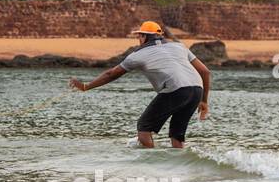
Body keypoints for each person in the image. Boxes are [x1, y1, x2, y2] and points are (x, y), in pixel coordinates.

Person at [69, 21, 212, 149]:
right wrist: (204, 101)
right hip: (197, 90)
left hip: (175, 89)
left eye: (139, 36)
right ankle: (179, 165)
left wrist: (85, 86)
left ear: (144, 37)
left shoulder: (138, 55)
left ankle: (151, 165)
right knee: (177, 135)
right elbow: (205, 72)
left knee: (143, 128)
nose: (138, 39)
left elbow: (110, 74)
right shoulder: (180, 47)